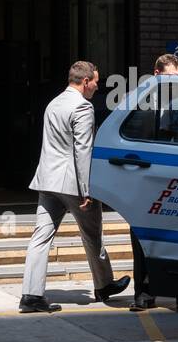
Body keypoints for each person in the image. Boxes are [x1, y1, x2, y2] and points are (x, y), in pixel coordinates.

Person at [19, 60, 131, 314]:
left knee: (41, 236)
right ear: (84, 81)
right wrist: (86, 189)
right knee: (93, 232)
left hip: (47, 180)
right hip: (71, 183)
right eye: (95, 82)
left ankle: (31, 294)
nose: (97, 86)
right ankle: (104, 285)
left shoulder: (54, 102)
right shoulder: (82, 106)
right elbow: (83, 151)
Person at [130, 53, 178, 313]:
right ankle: (144, 292)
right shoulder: (139, 105)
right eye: (173, 78)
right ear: (157, 75)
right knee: (141, 239)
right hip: (146, 182)